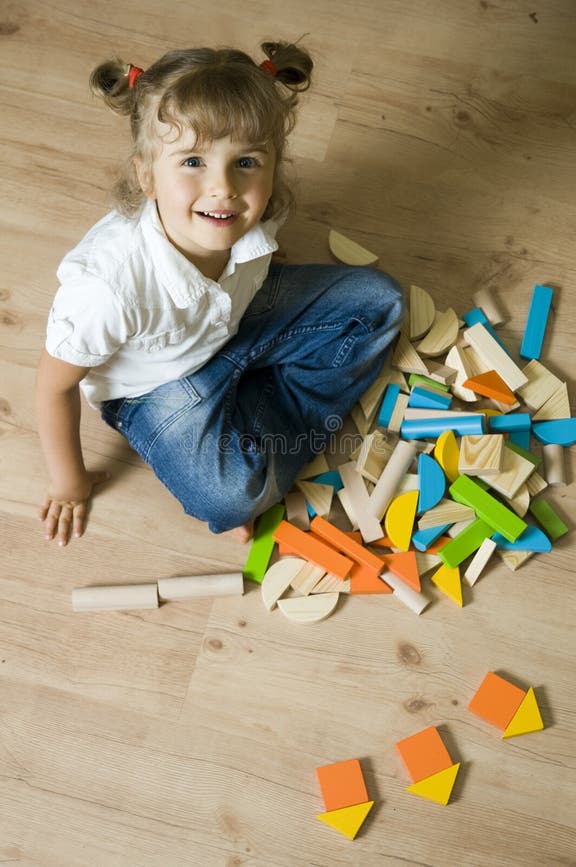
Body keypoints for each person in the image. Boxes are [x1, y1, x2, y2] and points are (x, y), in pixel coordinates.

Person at [36, 40, 404, 547]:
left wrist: (256, 256)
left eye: (247, 162)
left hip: (235, 318)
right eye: (192, 162)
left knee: (379, 302)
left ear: (274, 164)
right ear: (147, 174)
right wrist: (69, 483)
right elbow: (54, 387)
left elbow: (256, 229)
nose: (224, 188)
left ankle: (252, 419)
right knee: (229, 497)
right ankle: (258, 426)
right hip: (153, 388)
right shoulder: (108, 288)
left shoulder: (256, 208)